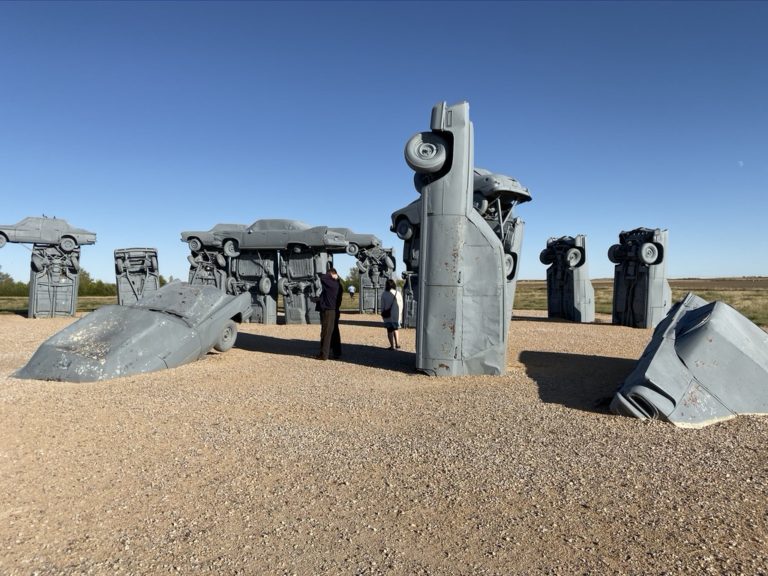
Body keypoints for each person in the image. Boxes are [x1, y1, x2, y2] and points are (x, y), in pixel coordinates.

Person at [316, 268, 340, 360]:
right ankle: (324, 353)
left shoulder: (332, 284)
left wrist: (331, 275)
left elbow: (322, 278)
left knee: (326, 333)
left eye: (328, 274)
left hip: (329, 311)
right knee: (327, 332)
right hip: (330, 310)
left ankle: (324, 355)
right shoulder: (334, 284)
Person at [380, 278, 403, 350]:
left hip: (388, 315)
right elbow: (401, 305)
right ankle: (397, 344)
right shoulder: (398, 293)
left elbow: (382, 306)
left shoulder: (384, 294)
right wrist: (400, 313)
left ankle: (392, 346)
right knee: (396, 329)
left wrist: (382, 313)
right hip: (396, 315)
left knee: (389, 330)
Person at [330, 274, 343, 359]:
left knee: (334, 331)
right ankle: (333, 349)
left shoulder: (336, 287)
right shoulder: (339, 286)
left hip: (334, 310)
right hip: (336, 310)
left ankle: (336, 351)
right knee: (334, 331)